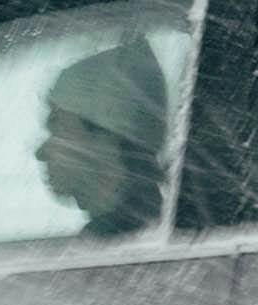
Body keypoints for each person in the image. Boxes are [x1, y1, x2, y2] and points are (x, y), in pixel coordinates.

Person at [37, 36, 171, 238]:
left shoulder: (121, 251)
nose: (41, 152)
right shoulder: (152, 237)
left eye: (57, 129)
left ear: (108, 135)